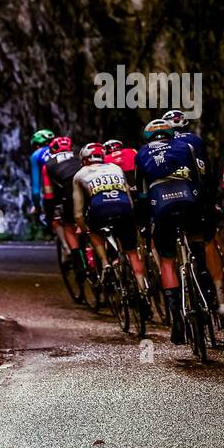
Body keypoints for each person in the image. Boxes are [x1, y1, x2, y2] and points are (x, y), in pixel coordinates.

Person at [136, 118, 219, 344]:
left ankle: (177, 320)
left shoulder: (141, 154)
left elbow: (142, 195)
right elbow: (200, 180)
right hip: (188, 200)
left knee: (167, 260)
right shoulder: (187, 146)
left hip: (160, 206)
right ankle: (205, 289)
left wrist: (144, 226)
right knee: (196, 240)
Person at [161, 109, 224, 327]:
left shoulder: (160, 148)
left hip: (168, 201)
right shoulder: (195, 141)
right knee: (208, 239)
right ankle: (221, 302)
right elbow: (207, 174)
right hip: (197, 198)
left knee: (166, 249)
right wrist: (213, 203)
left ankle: (176, 307)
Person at [73, 142, 149, 316]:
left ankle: (106, 263)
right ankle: (143, 292)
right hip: (124, 209)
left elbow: (78, 214)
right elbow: (129, 197)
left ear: (85, 160)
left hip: (99, 210)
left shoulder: (80, 175)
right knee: (131, 252)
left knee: (93, 231)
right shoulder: (115, 168)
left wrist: (84, 228)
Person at [42, 136, 88, 295]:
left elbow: (48, 195)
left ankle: (78, 261)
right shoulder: (79, 156)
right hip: (88, 187)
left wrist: (49, 215)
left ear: (52, 150)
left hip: (69, 192)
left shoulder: (48, 164)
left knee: (68, 225)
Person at [29, 129, 56, 216]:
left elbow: (36, 191)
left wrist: (37, 206)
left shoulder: (36, 155)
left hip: (52, 195)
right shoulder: (63, 151)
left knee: (53, 222)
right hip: (72, 188)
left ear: (37, 145)